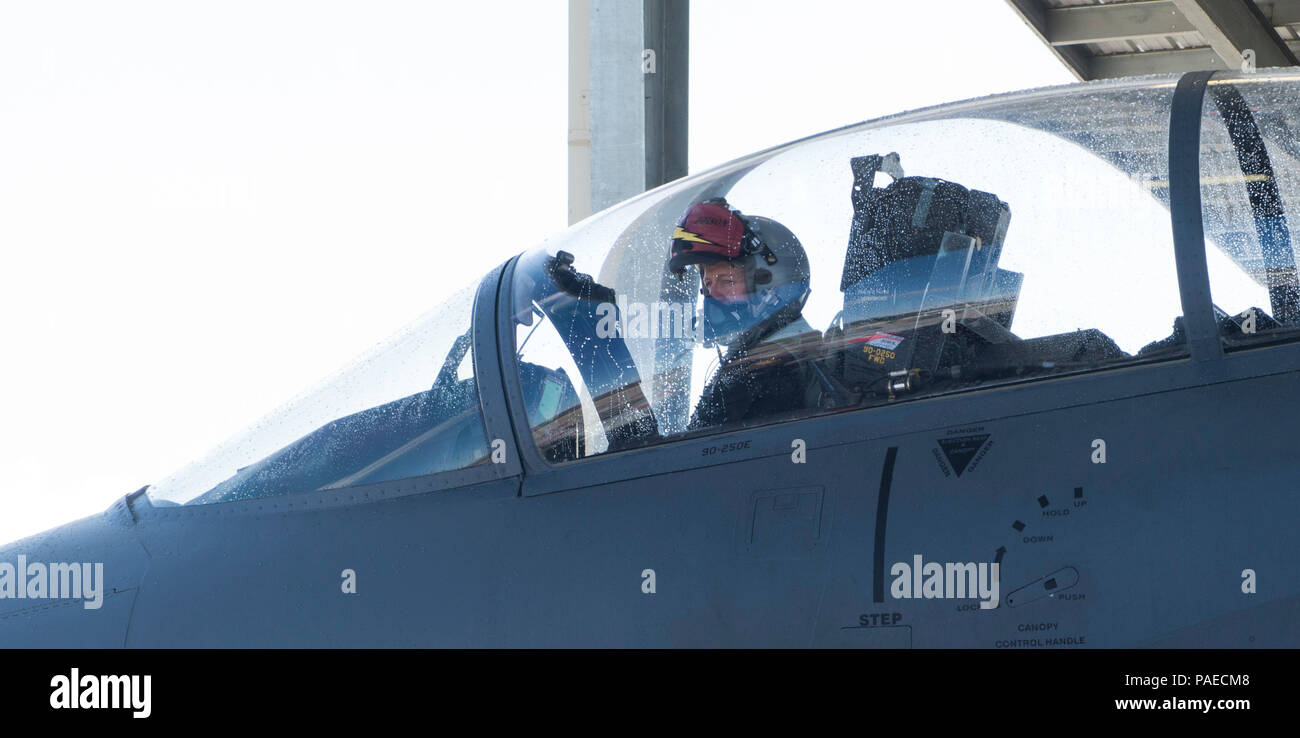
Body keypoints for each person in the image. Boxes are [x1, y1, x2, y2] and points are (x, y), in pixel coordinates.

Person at [668, 197, 825, 430]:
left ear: (770, 284)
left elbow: (684, 459)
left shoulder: (769, 369)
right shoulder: (793, 349)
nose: (713, 293)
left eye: (726, 280)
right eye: (708, 283)